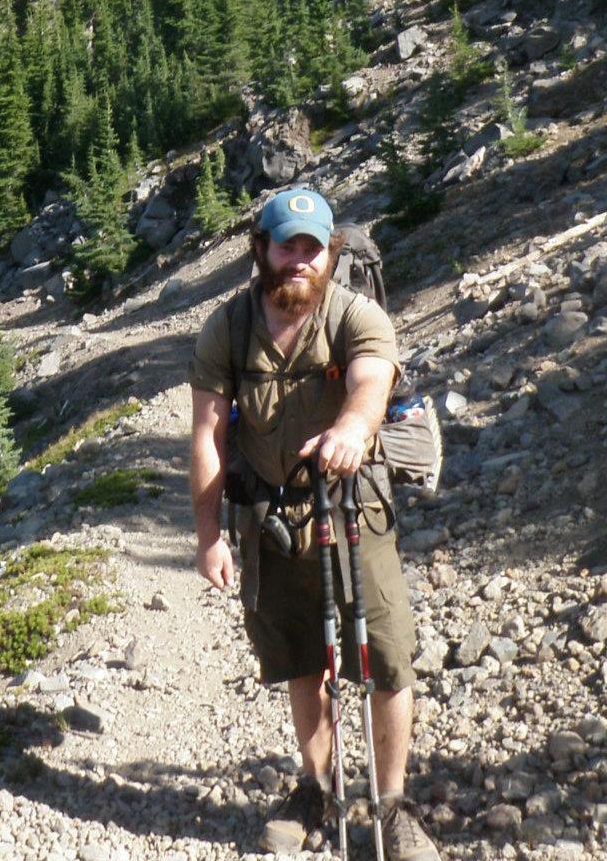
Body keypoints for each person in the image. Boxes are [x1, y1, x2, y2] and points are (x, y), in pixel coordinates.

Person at [188, 187, 440, 861]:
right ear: (261, 250)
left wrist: (354, 429)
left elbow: (371, 381)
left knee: (385, 656)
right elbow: (208, 434)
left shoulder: (355, 313)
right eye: (287, 245)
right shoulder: (228, 328)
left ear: (329, 251)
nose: (300, 259)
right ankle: (318, 789)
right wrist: (210, 535)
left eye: (312, 247)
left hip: (355, 509)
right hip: (273, 518)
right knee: (303, 657)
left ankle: (393, 806)